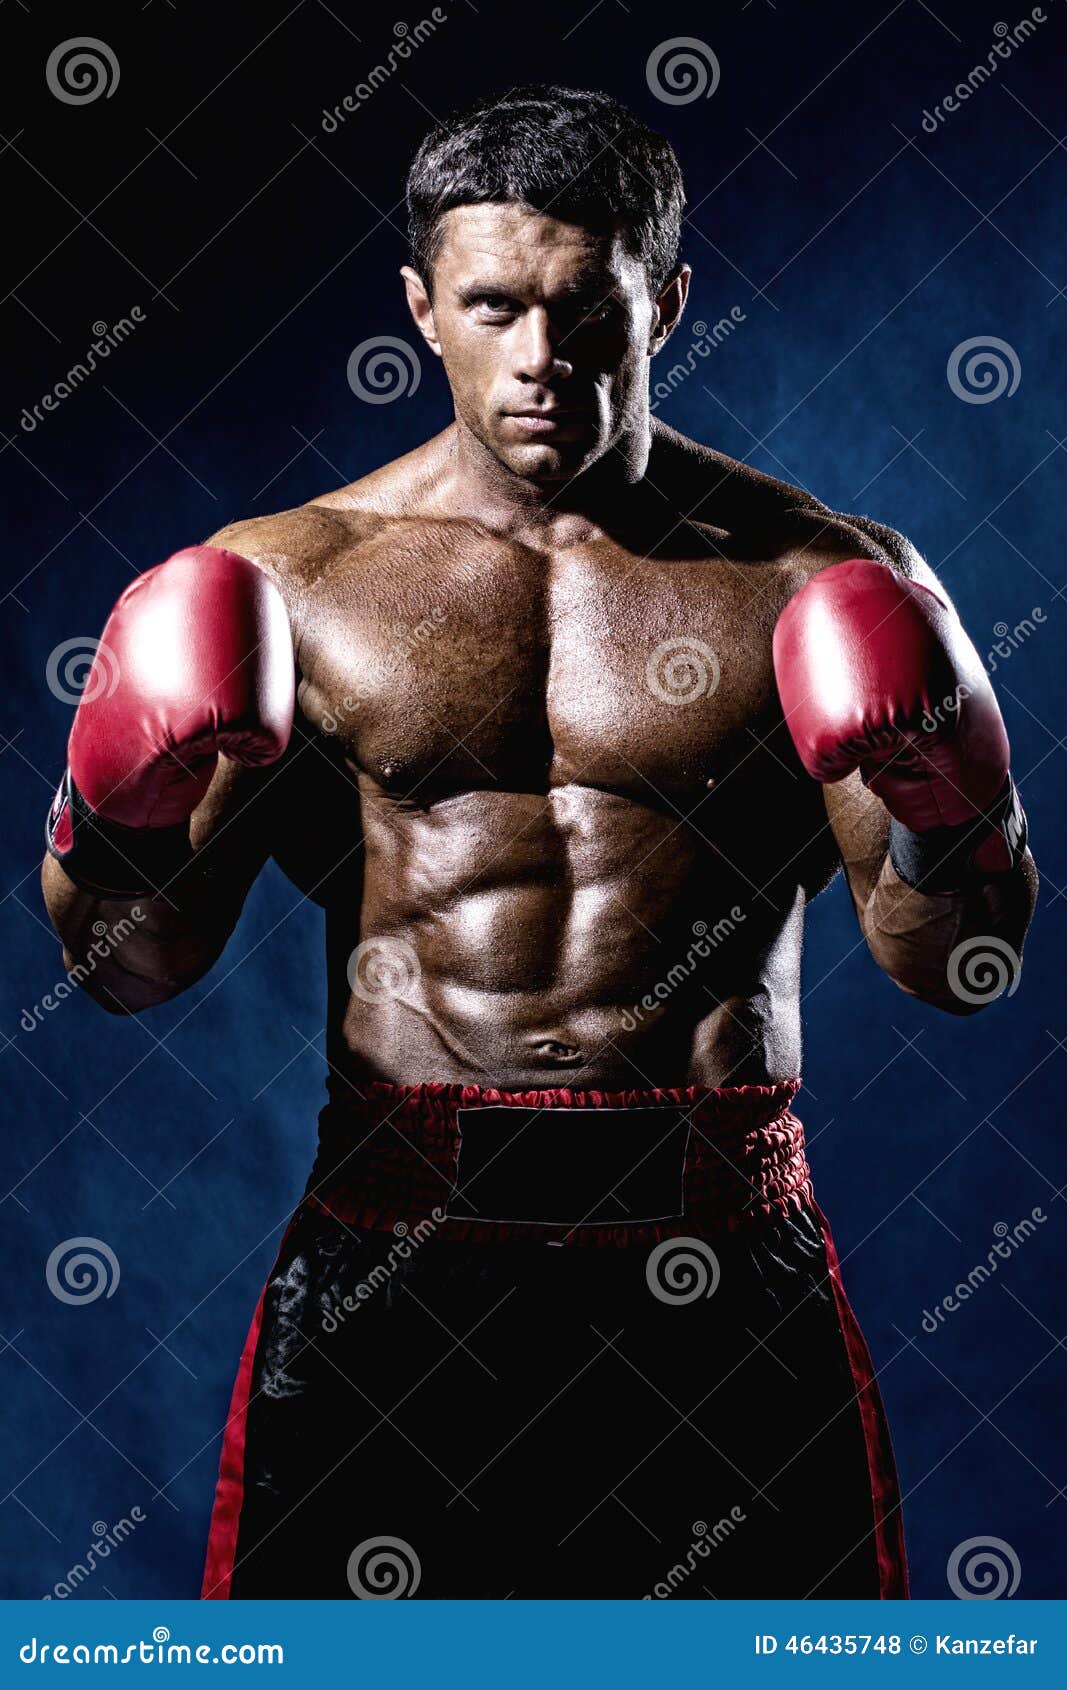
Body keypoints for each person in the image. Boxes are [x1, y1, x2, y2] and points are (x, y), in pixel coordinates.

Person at [41, 85, 1036, 1599]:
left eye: (586, 308)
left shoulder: (811, 578)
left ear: (669, 300)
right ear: (419, 305)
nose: (540, 358)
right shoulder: (292, 582)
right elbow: (132, 968)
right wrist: (114, 810)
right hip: (397, 1247)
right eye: (494, 304)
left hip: (714, 1234)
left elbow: (954, 967)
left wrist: (951, 809)